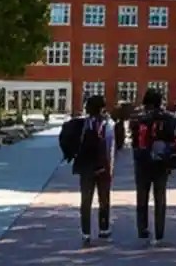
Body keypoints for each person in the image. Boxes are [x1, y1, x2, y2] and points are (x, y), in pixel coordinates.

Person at [130, 87, 176, 246]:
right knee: (160, 198)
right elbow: (173, 138)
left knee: (142, 198)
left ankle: (142, 229)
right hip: (161, 162)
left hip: (142, 163)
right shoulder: (169, 118)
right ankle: (159, 232)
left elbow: (133, 141)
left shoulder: (138, 118)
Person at [72, 94, 114, 246]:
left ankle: (86, 232)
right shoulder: (107, 124)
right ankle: (103, 228)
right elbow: (110, 147)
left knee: (86, 200)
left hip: (85, 167)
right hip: (102, 166)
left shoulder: (81, 124)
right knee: (104, 198)